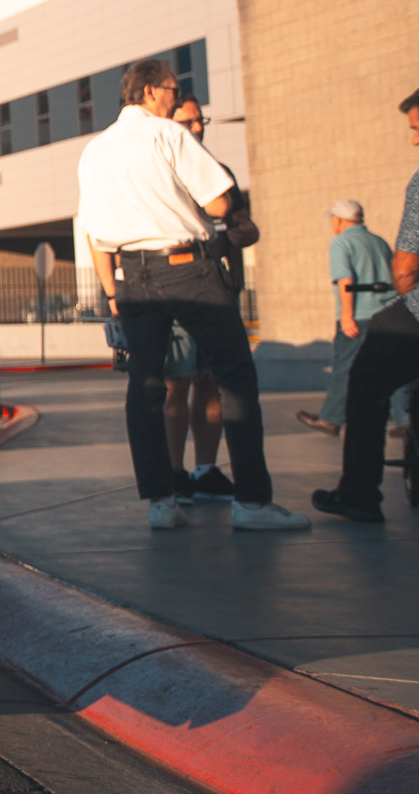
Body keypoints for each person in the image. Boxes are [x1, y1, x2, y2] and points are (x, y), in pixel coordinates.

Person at [79, 58, 308, 531]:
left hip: (131, 277)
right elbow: (219, 201)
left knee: (144, 387)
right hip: (187, 270)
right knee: (235, 375)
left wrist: (112, 294)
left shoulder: (94, 152)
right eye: (171, 88)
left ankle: (161, 503)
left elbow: (95, 233)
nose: (176, 97)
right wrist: (231, 216)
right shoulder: (168, 135)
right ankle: (252, 504)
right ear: (148, 92)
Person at [313, 83, 419, 523]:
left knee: (366, 381)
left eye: (418, 128)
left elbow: (406, 267)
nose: (414, 140)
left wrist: (411, 305)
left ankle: (359, 494)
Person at [161, 94, 255, 503]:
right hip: (178, 292)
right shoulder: (161, 172)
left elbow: (244, 223)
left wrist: (244, 235)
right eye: (188, 123)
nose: (197, 130)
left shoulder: (221, 172)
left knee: (212, 383)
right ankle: (174, 474)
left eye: (201, 122)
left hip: (220, 291)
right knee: (175, 386)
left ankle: (205, 470)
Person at [296, 201, 398, 437]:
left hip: (359, 314)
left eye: (332, 219)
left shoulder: (341, 242)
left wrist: (347, 316)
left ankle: (331, 418)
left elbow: (345, 280)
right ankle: (405, 420)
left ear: (340, 220)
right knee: (390, 366)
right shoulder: (379, 241)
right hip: (386, 313)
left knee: (345, 366)